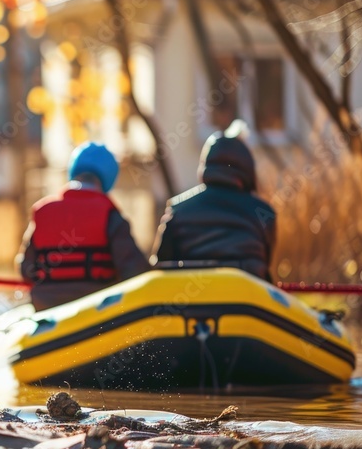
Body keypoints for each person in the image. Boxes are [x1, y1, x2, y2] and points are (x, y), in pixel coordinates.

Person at [18, 142, 150, 311]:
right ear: (109, 178)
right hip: (95, 311)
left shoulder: (41, 212)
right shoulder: (111, 215)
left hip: (46, 309)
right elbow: (134, 271)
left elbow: (26, 270)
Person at [152, 124, 276, 281]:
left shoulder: (177, 209)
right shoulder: (264, 213)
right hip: (247, 301)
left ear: (205, 164)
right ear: (247, 167)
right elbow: (265, 263)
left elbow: (160, 269)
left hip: (190, 303)